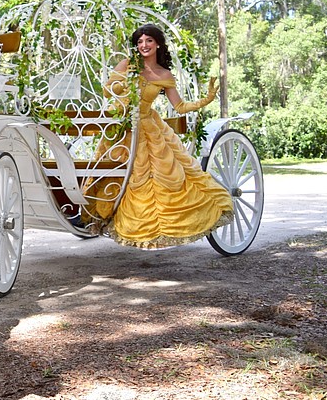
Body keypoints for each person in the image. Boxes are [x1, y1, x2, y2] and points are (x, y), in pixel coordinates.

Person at [83, 23, 234, 249]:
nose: (143, 45)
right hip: (119, 127)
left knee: (154, 177)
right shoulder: (127, 64)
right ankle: (103, 218)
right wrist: (126, 79)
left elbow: (180, 107)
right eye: (140, 42)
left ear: (158, 44)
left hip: (148, 128)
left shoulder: (164, 74)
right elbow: (107, 91)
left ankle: (155, 229)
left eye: (149, 41)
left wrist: (207, 99)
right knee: (113, 173)